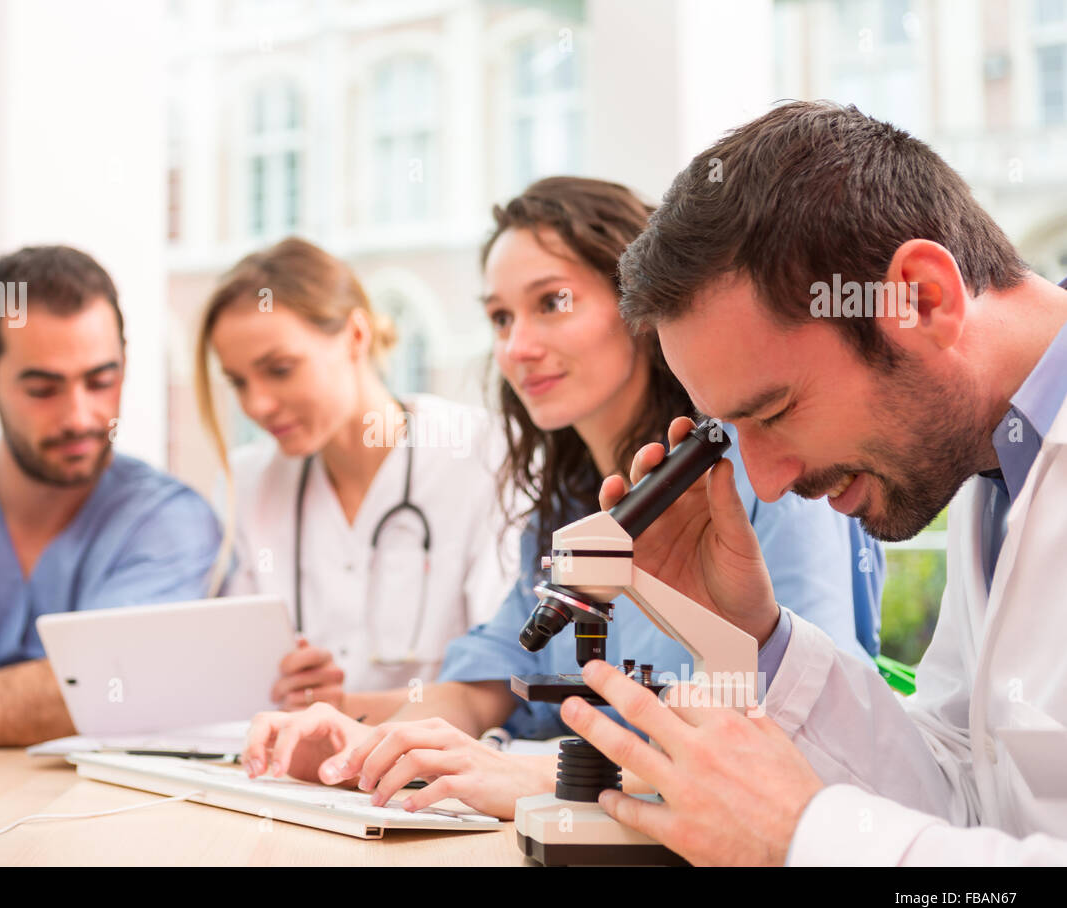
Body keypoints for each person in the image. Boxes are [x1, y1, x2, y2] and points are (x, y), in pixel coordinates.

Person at [241, 177, 885, 820]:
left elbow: (807, 738)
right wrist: (362, 740)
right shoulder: (566, 511)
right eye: (500, 318)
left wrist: (535, 774)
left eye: (552, 302)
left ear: (643, 304)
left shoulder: (765, 478)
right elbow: (483, 685)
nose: (517, 347)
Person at [554, 100, 1067, 865]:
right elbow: (966, 797)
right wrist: (758, 635)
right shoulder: (999, 469)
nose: (763, 480)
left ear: (920, 298)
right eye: (734, 431)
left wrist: (803, 843)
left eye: (777, 409)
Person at [197, 237, 519, 720]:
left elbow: (501, 680)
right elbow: (241, 677)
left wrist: (343, 709)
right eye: (239, 382)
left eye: (280, 370)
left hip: (434, 778)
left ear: (355, 336)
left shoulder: (483, 454)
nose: (257, 405)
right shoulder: (250, 482)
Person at [0, 245, 224, 747]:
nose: (80, 417)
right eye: (43, 390)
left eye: (101, 381)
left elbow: (106, 688)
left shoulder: (170, 521)